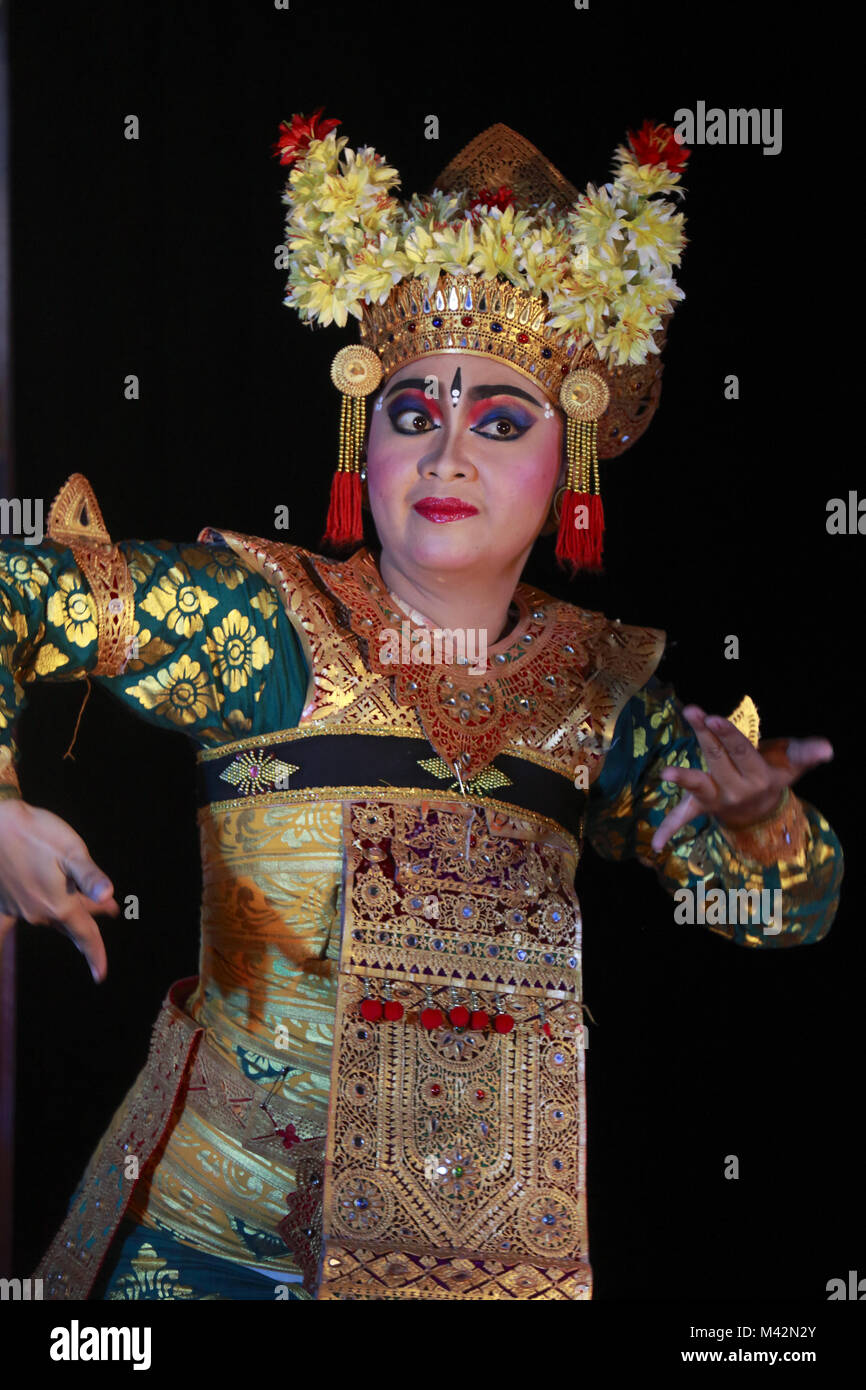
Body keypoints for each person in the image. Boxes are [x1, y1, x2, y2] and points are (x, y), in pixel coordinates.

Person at [0, 113, 843, 1301]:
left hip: (472, 1274)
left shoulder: (599, 693)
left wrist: (759, 829)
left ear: (570, 465)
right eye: (412, 415)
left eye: (500, 421)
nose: (447, 453)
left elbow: (783, 917)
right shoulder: (264, 623)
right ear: (366, 442)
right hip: (209, 1256)